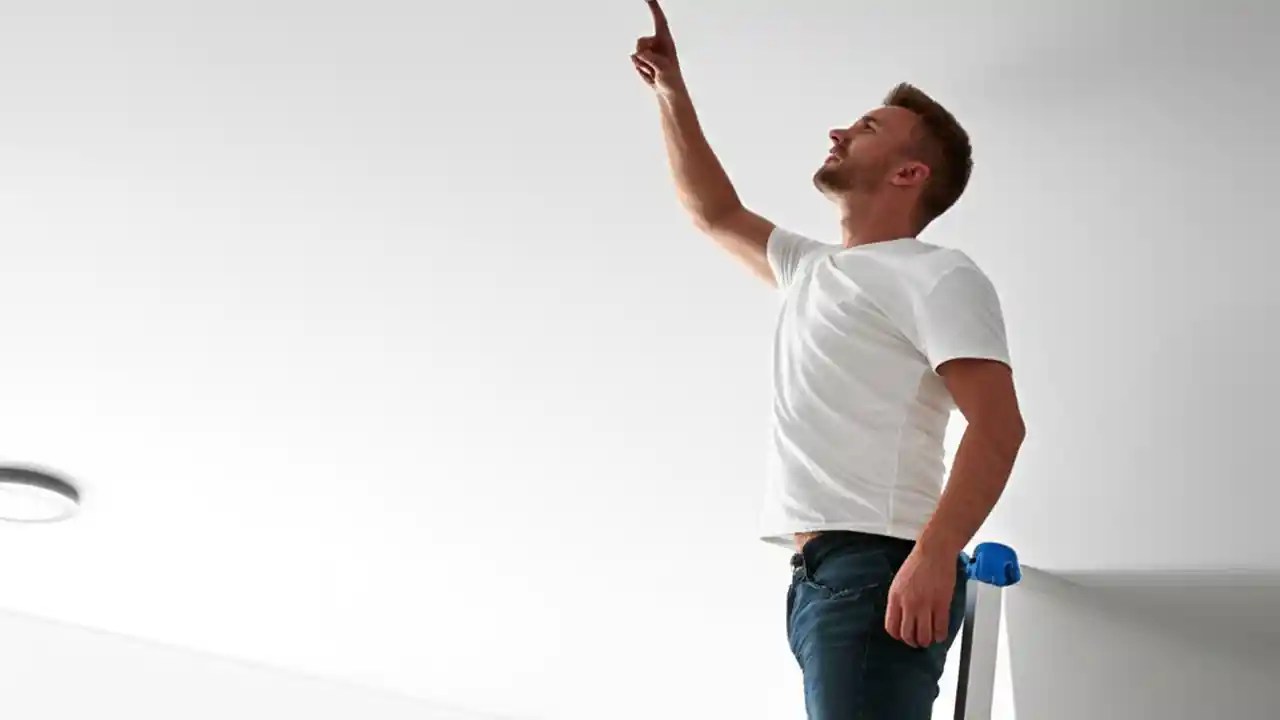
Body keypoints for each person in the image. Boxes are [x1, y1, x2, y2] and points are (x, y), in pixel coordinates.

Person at [631, 2, 1027, 718]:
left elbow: (998, 428)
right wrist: (670, 90)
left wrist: (935, 555)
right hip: (820, 576)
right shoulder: (810, 269)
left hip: (880, 566)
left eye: (867, 127)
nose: (840, 131)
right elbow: (714, 212)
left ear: (910, 173)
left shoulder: (936, 273)